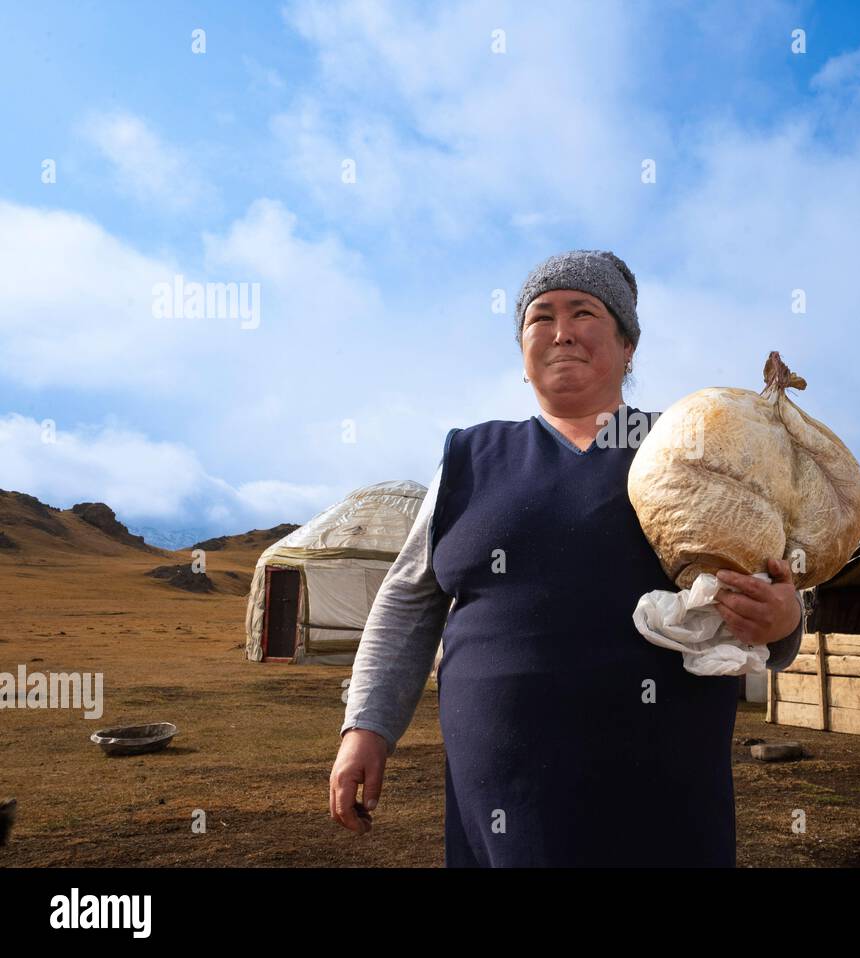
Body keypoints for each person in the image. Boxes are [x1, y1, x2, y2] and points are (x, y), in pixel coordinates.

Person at [329, 249, 806, 866]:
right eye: (540, 317)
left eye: (584, 312)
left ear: (628, 344)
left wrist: (785, 624)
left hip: (663, 798)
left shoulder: (691, 450)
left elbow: (771, 587)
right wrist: (366, 726)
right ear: (522, 349)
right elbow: (407, 601)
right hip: (500, 805)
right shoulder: (469, 460)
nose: (561, 332)